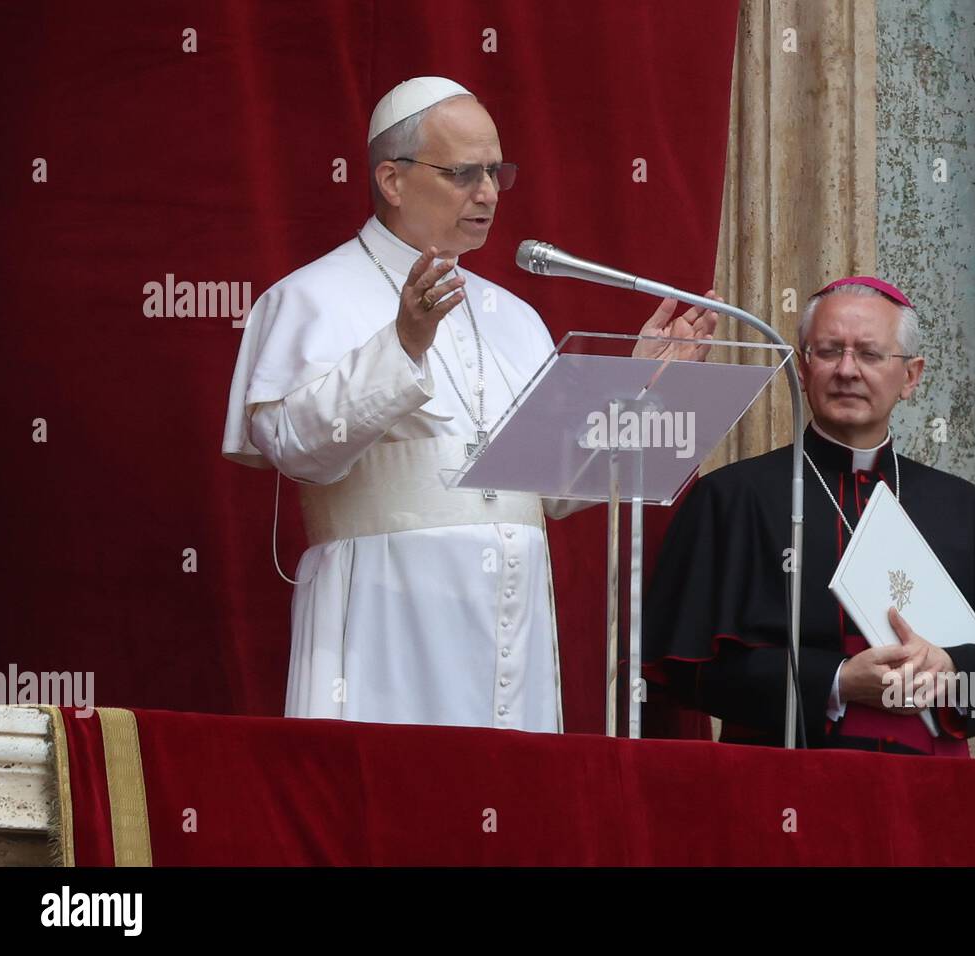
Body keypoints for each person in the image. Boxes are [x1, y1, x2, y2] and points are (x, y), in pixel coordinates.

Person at [223, 76, 717, 731]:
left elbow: (557, 486)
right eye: (462, 174)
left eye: (495, 172)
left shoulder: (514, 315)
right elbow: (295, 449)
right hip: (381, 614)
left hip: (514, 618)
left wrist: (639, 391)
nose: (487, 193)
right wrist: (402, 345)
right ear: (393, 181)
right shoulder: (309, 298)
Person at [642, 276, 975, 753]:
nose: (847, 370)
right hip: (775, 783)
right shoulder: (731, 498)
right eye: (829, 351)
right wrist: (838, 681)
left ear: (911, 376)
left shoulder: (966, 509)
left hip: (928, 792)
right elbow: (685, 670)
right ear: (803, 370)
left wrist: (950, 672)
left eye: (870, 354)